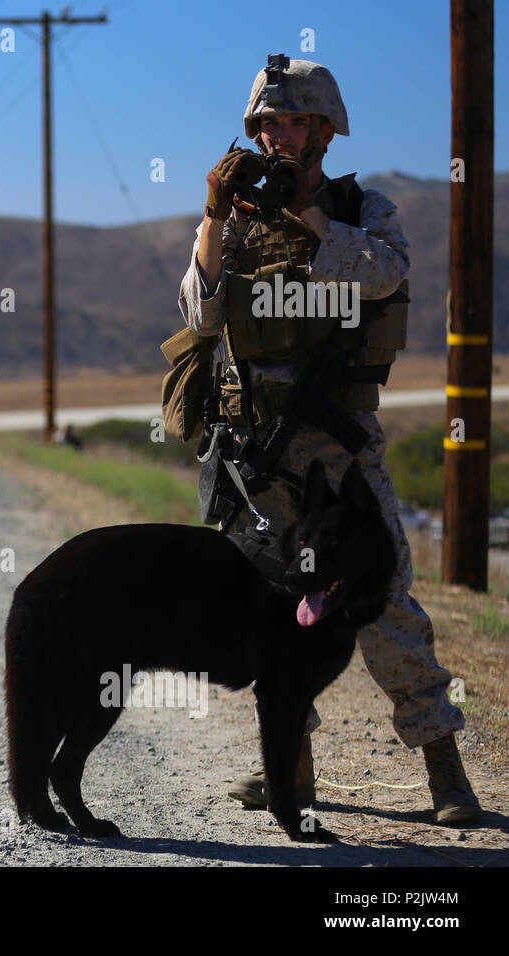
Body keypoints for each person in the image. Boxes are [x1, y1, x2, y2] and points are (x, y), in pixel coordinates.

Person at [176, 55, 481, 825]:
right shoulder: (237, 220)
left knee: (387, 609)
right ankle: (291, 769)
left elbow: (381, 274)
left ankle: (444, 769)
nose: (279, 136)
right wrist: (216, 216)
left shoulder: (361, 207)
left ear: (323, 133)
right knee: (265, 610)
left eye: (295, 122)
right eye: (269, 123)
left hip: (340, 451)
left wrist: (310, 212)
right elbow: (199, 317)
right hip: (257, 451)